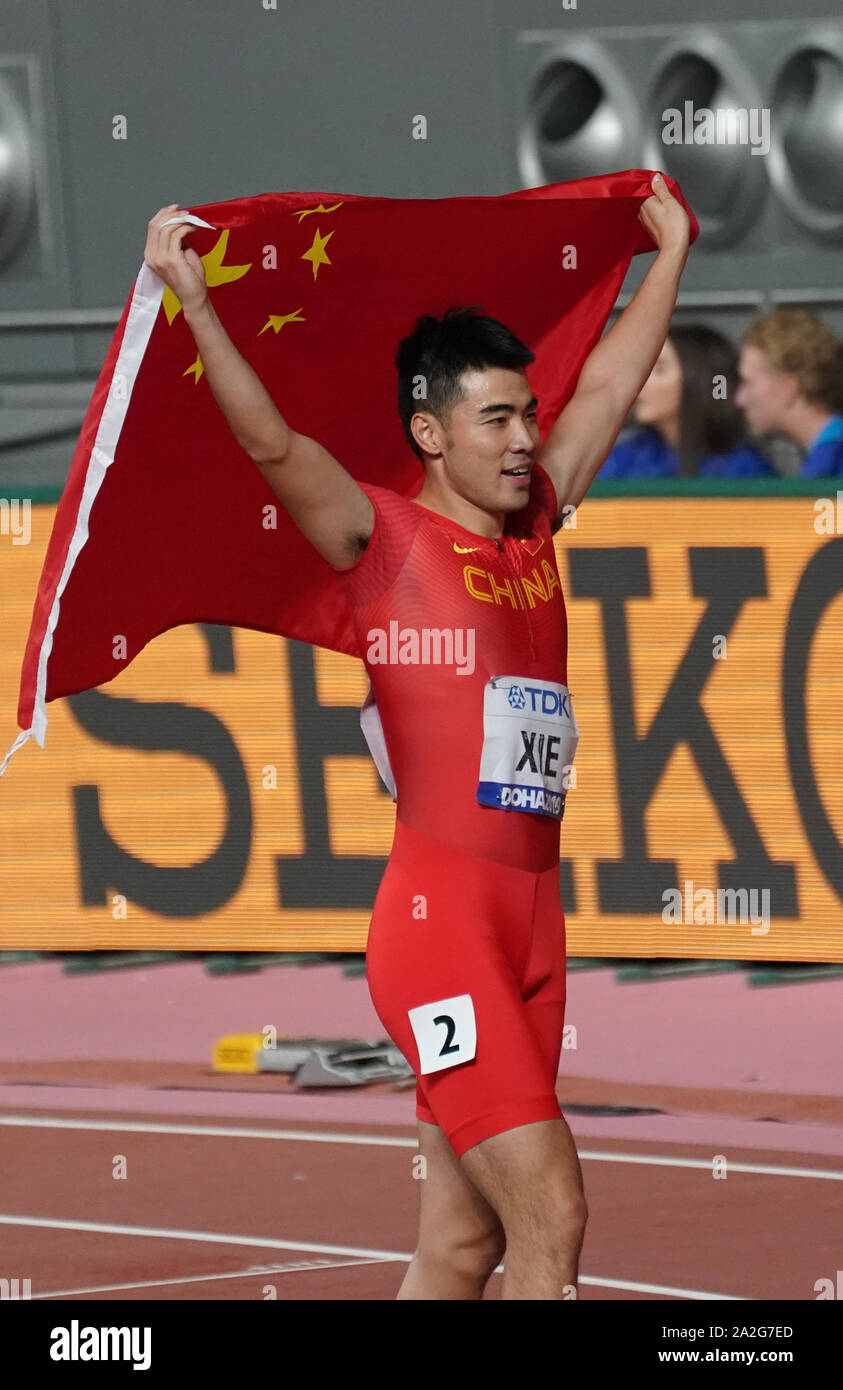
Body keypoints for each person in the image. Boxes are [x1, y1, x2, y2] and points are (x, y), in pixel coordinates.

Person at [142, 171, 691, 1301]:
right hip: (442, 933)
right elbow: (270, 442)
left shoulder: (537, 517)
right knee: (555, 1211)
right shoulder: (377, 538)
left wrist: (670, 254)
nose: (525, 437)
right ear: (429, 432)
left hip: (537, 929)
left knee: (461, 1245)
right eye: (497, 419)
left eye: (528, 414)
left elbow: (610, 388)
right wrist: (192, 302)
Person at [598, 324, 776, 479]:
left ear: (697, 381)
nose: (641, 380)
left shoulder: (744, 470)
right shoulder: (621, 459)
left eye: (659, 369)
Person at [735, 308, 843, 478]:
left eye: (748, 383)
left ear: (789, 389)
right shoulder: (828, 459)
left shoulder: (829, 469)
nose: (739, 400)